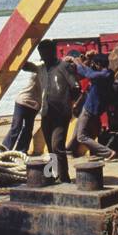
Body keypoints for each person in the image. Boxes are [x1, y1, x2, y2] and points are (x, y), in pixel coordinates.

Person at [37, 40, 81, 181]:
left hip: (60, 113)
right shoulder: (43, 68)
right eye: (41, 53)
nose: (43, 56)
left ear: (52, 52)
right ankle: (50, 176)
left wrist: (68, 103)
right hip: (46, 112)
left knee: (57, 146)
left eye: (45, 52)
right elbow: (26, 67)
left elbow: (75, 87)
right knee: (50, 147)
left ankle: (64, 178)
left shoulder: (63, 66)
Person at [69, 52, 116, 161]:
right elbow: (90, 72)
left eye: (95, 64)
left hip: (90, 107)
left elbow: (88, 74)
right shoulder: (109, 73)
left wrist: (76, 62)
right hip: (96, 107)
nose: (94, 66)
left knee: (81, 136)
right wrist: (85, 64)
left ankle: (107, 152)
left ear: (99, 64)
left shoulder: (103, 75)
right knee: (78, 126)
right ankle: (69, 149)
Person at [1, 61, 41, 152]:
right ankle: (5, 150)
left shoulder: (54, 72)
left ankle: (21, 151)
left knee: (28, 129)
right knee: (16, 127)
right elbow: (27, 66)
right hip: (23, 101)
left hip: (35, 105)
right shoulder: (40, 66)